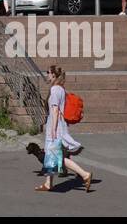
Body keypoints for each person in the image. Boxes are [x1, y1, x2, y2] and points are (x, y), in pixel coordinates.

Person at [36, 65, 92, 193]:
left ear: (53, 75)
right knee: (51, 155)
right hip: (60, 124)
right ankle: (48, 183)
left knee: (57, 157)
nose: (47, 75)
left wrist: (53, 130)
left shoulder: (55, 90)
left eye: (48, 73)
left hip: (55, 126)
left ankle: (84, 174)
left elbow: (55, 110)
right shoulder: (61, 89)